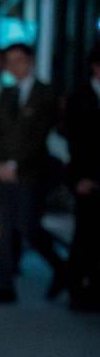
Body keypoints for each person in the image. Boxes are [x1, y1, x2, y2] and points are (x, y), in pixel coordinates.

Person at [0, 43, 65, 304]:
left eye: (18, 60)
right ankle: (4, 287)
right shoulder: (6, 94)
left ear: (29, 61)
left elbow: (39, 135)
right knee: (4, 228)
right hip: (3, 173)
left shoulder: (45, 94)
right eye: (10, 61)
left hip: (29, 172)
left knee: (28, 225)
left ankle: (62, 267)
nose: (14, 66)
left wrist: (15, 164)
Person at [63, 45, 100, 311]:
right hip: (85, 176)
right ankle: (76, 289)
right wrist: (80, 177)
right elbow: (75, 142)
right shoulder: (80, 97)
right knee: (84, 235)